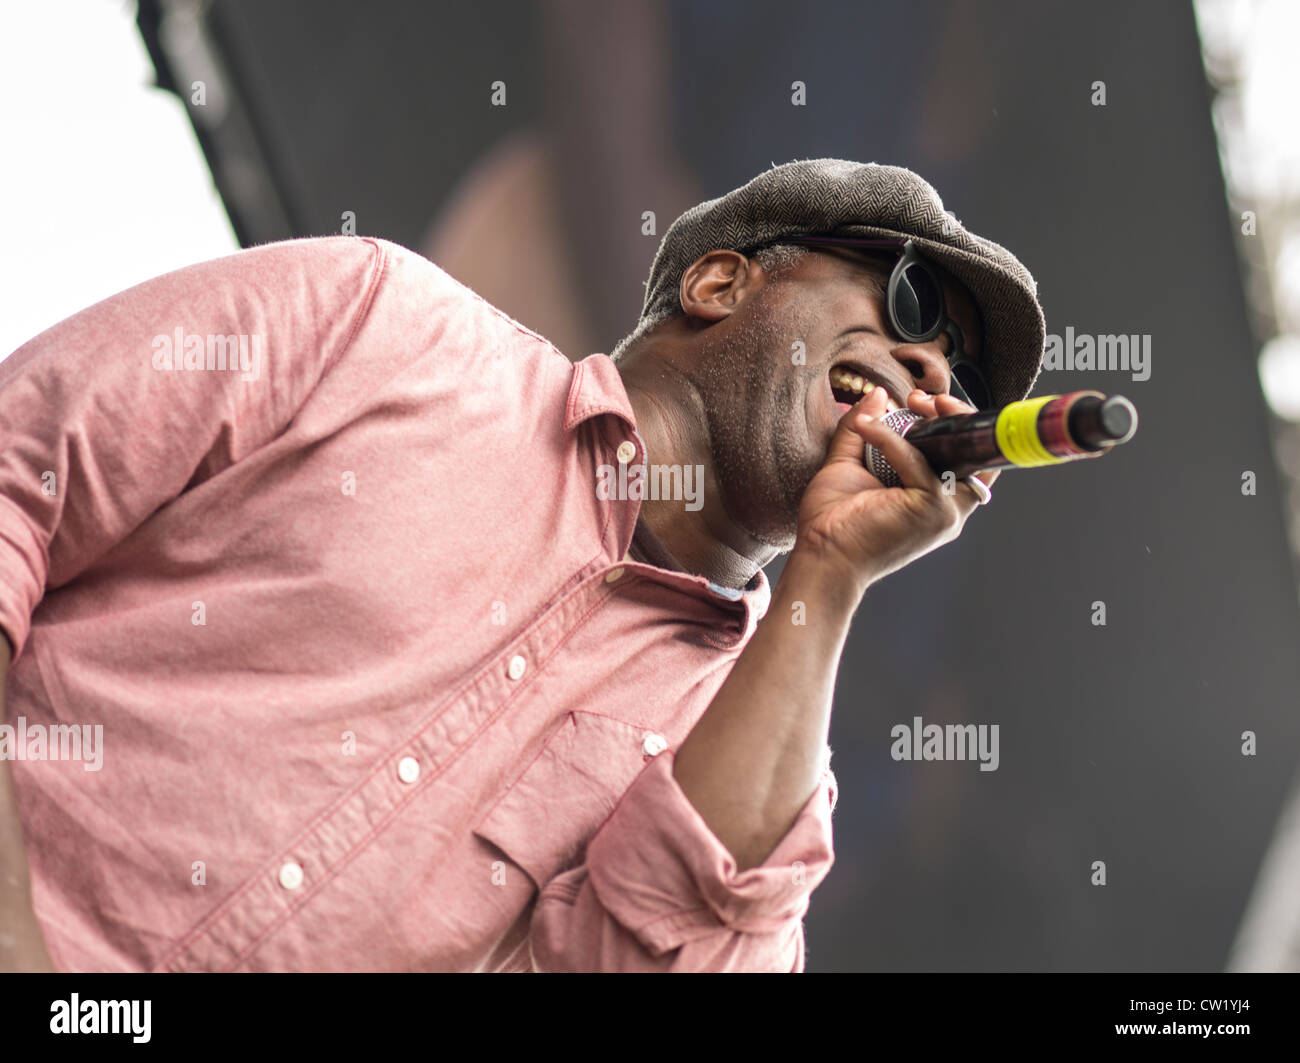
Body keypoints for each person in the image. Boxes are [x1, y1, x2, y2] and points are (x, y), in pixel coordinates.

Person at [0, 158, 1044, 972]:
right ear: (721, 281)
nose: (930, 370)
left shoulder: (752, 758)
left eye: (955, 371)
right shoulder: (379, 324)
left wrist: (828, 577)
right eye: (909, 305)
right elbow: (17, 473)